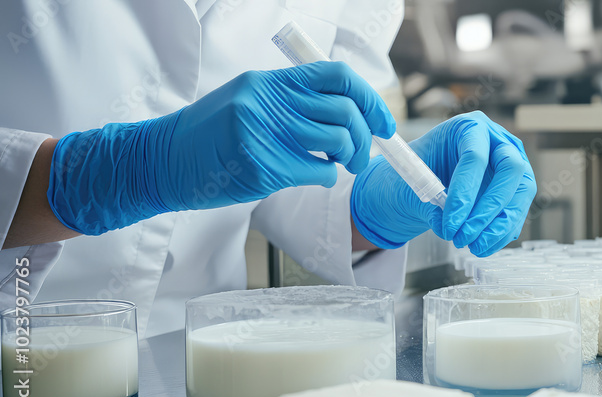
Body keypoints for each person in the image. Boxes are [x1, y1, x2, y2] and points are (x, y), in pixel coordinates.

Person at [0, 1, 536, 337]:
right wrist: (100, 175)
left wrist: (376, 201)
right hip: (17, 348)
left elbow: (319, 162)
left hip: (194, 357)